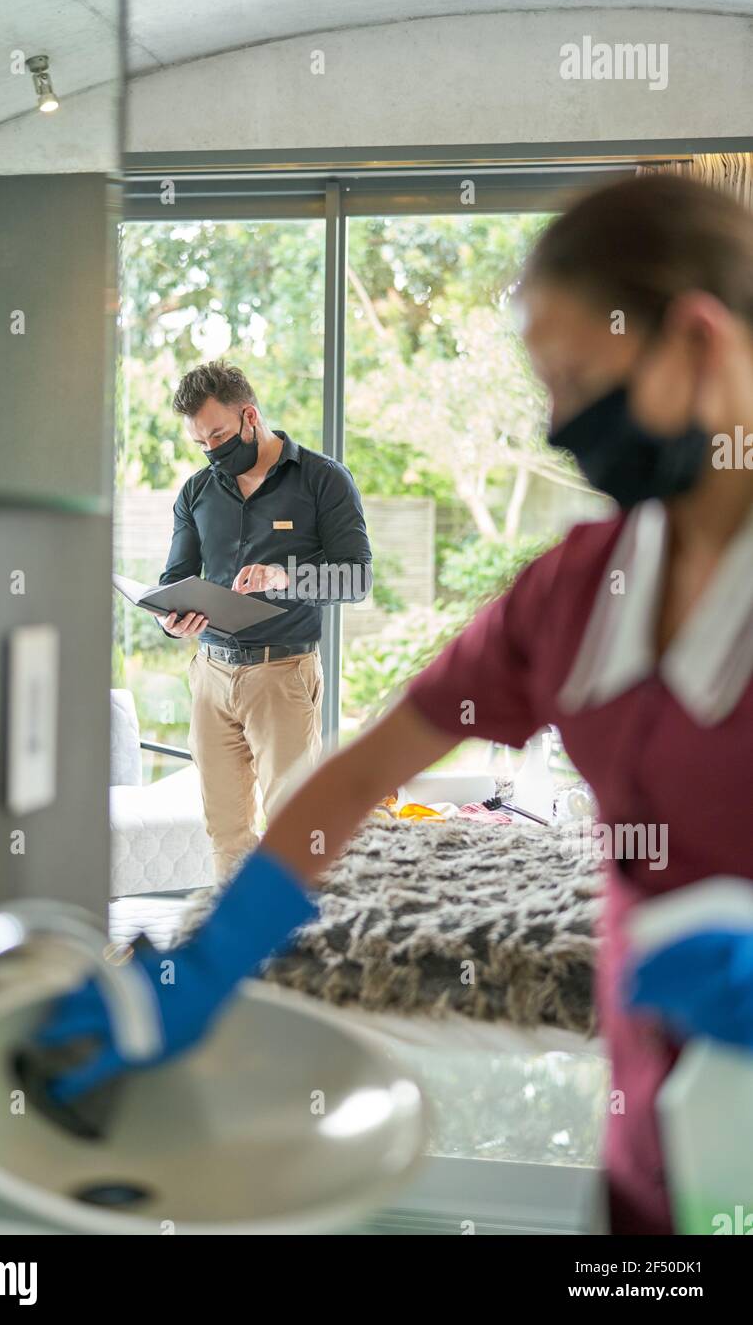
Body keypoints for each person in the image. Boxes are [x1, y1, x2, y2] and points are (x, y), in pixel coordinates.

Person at [39, 174, 753, 1235]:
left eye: (574, 378)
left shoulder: (321, 483)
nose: (559, 424)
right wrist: (216, 954)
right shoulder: (580, 590)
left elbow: (353, 579)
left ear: (699, 343)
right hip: (658, 1147)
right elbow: (367, 772)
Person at [153, 361, 372, 879]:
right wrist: (171, 619)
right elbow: (176, 579)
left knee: (293, 829)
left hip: (283, 676)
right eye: (201, 442)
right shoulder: (197, 492)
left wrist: (284, 578)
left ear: (250, 416)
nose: (211, 450)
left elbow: (356, 579)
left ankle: (299, 946)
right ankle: (239, 948)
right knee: (226, 832)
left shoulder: (323, 480)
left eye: (219, 435)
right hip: (211, 676)